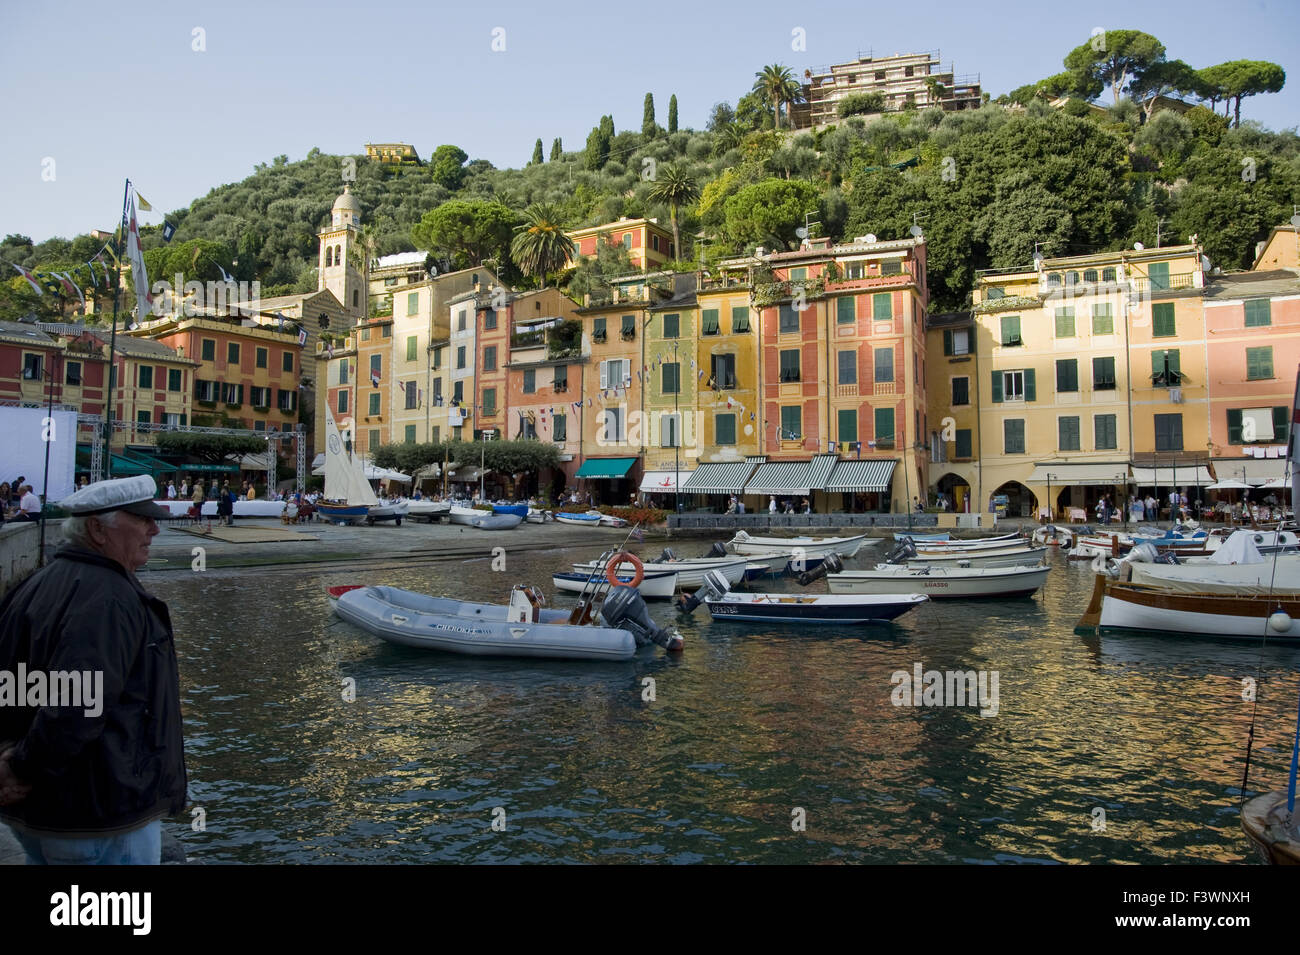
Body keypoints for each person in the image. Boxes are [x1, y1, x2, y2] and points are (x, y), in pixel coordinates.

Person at [0, 475, 186, 865]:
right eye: (141, 520)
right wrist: (22, 767)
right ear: (98, 530)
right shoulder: (110, 601)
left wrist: (8, 755)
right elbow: (76, 707)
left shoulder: (34, 586)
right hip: (99, 817)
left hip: (43, 816)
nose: (154, 529)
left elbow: (11, 686)